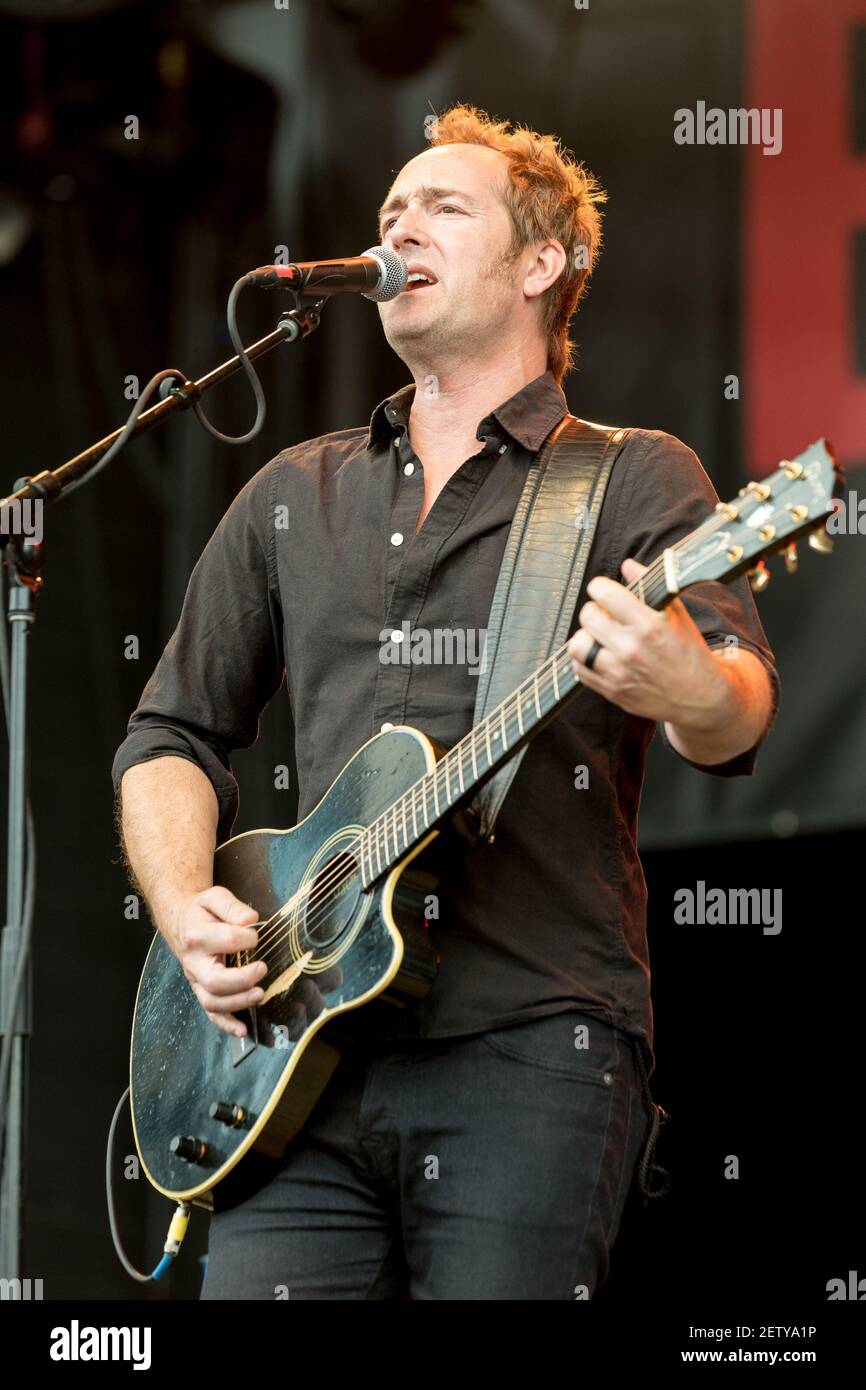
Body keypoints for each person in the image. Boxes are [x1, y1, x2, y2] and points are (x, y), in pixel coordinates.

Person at [112, 103, 779, 1300]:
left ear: (540, 264)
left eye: (441, 206)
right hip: (290, 1058)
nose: (396, 225)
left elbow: (734, 706)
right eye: (387, 213)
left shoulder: (630, 475)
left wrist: (684, 679)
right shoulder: (292, 492)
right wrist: (181, 906)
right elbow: (170, 732)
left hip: (529, 1047)